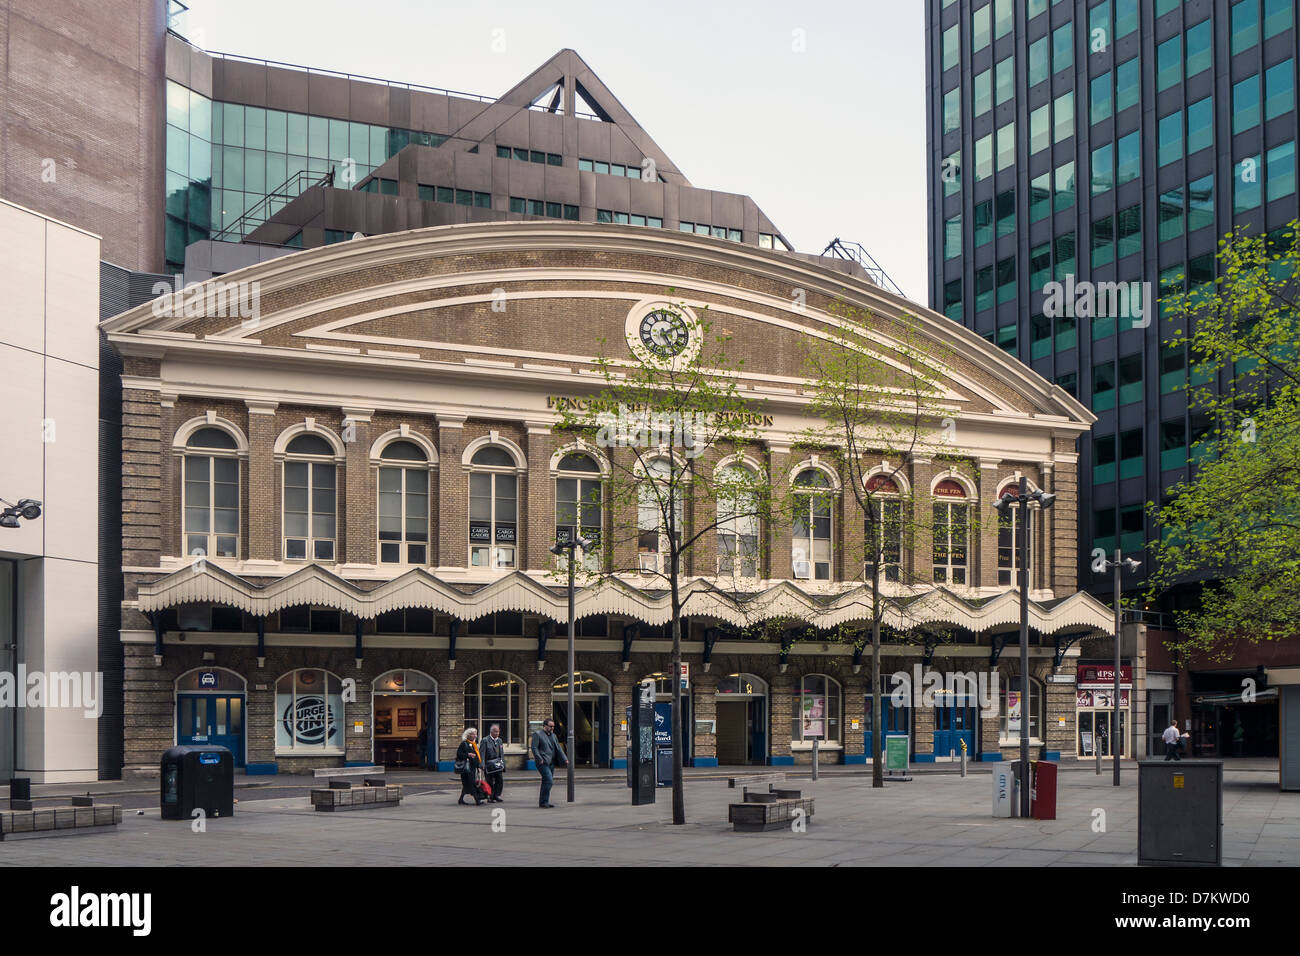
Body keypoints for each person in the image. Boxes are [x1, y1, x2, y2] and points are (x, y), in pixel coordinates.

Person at [530, 717, 569, 808]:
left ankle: (544, 802)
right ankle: (544, 802)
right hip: (542, 762)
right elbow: (534, 748)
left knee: (546, 782)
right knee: (549, 780)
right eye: (550, 726)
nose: (552, 728)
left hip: (551, 762)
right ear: (544, 726)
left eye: (553, 727)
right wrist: (539, 758)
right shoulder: (537, 734)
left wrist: (565, 759)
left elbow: (558, 748)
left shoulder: (553, 736)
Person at [456, 727, 485, 805]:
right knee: (472, 783)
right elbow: (459, 754)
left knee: (466, 785)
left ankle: (460, 800)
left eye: (475, 734)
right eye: (473, 734)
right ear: (468, 735)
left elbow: (476, 757)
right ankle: (477, 800)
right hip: (466, 768)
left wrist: (478, 766)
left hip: (472, 767)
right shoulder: (464, 744)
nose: (475, 736)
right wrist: (468, 754)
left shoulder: (474, 745)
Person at [481, 723, 506, 803]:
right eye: (495, 732)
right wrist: (482, 764)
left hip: (498, 764)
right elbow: (482, 753)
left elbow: (501, 753)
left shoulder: (500, 740)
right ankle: (490, 796)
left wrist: (503, 764)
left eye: (498, 732)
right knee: (489, 781)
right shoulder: (485, 740)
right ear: (491, 732)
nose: (497, 733)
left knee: (500, 780)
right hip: (489, 764)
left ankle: (496, 795)